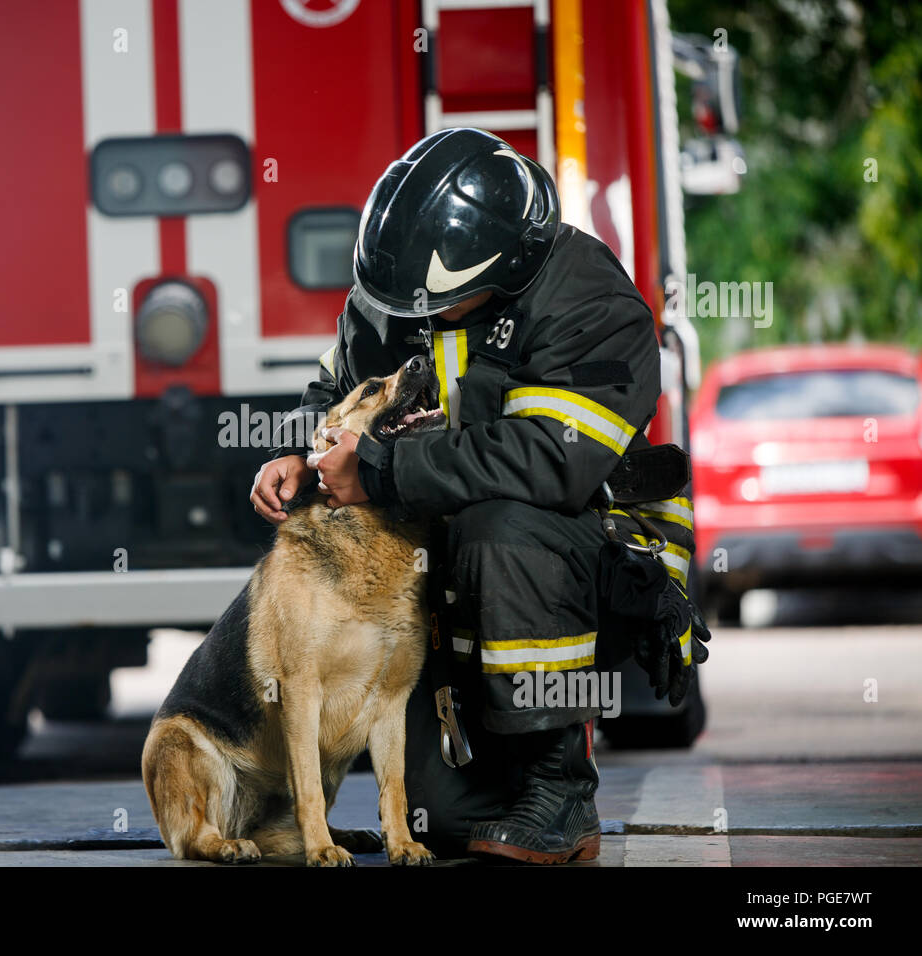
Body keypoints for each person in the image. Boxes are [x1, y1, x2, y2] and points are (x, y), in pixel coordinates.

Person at [250, 127, 704, 864]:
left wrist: (382, 471)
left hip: (593, 551)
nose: (419, 322)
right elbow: (333, 389)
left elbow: (547, 461)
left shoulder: (588, 298)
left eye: (444, 305)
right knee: (441, 818)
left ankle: (559, 791)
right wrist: (301, 452)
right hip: (452, 557)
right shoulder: (399, 293)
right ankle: (506, 784)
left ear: (506, 263)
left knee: (505, 525)